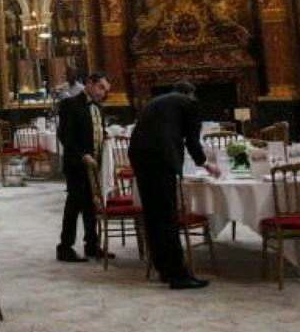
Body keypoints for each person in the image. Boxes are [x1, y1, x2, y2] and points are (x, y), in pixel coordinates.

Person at [127, 81, 218, 289]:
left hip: (139, 156)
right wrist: (205, 164)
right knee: (168, 215)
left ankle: (163, 268)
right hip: (160, 158)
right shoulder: (191, 104)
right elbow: (192, 142)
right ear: (192, 94)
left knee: (152, 214)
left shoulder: (157, 101)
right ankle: (178, 275)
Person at [57, 73, 110, 262]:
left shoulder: (98, 106)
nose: (103, 93)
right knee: (74, 205)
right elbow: (65, 136)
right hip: (76, 164)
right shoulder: (71, 104)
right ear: (89, 83)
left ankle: (92, 246)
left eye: (105, 90)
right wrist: (82, 155)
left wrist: (105, 137)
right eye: (101, 88)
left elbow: (96, 130)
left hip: (95, 165)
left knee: (91, 205)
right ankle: (65, 248)